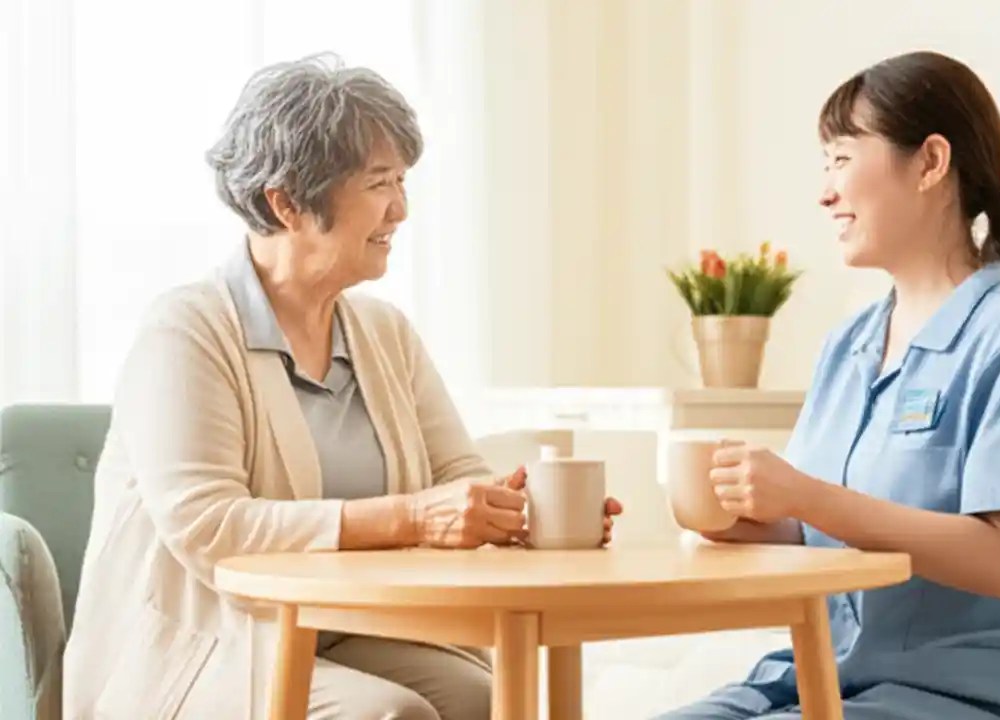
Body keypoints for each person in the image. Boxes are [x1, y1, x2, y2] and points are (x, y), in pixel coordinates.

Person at [62, 55, 622, 720]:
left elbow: (458, 473)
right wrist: (412, 518)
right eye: (379, 184)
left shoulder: (385, 334)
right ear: (288, 201)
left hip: (349, 630)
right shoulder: (186, 330)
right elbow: (210, 526)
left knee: (491, 700)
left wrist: (525, 515)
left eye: (403, 182)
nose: (401, 209)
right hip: (207, 647)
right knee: (390, 715)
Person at [657, 51, 1000, 720]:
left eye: (840, 159)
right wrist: (730, 519)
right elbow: (813, 533)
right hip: (810, 679)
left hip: (957, 697)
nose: (824, 192)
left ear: (930, 163)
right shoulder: (849, 345)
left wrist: (808, 497)